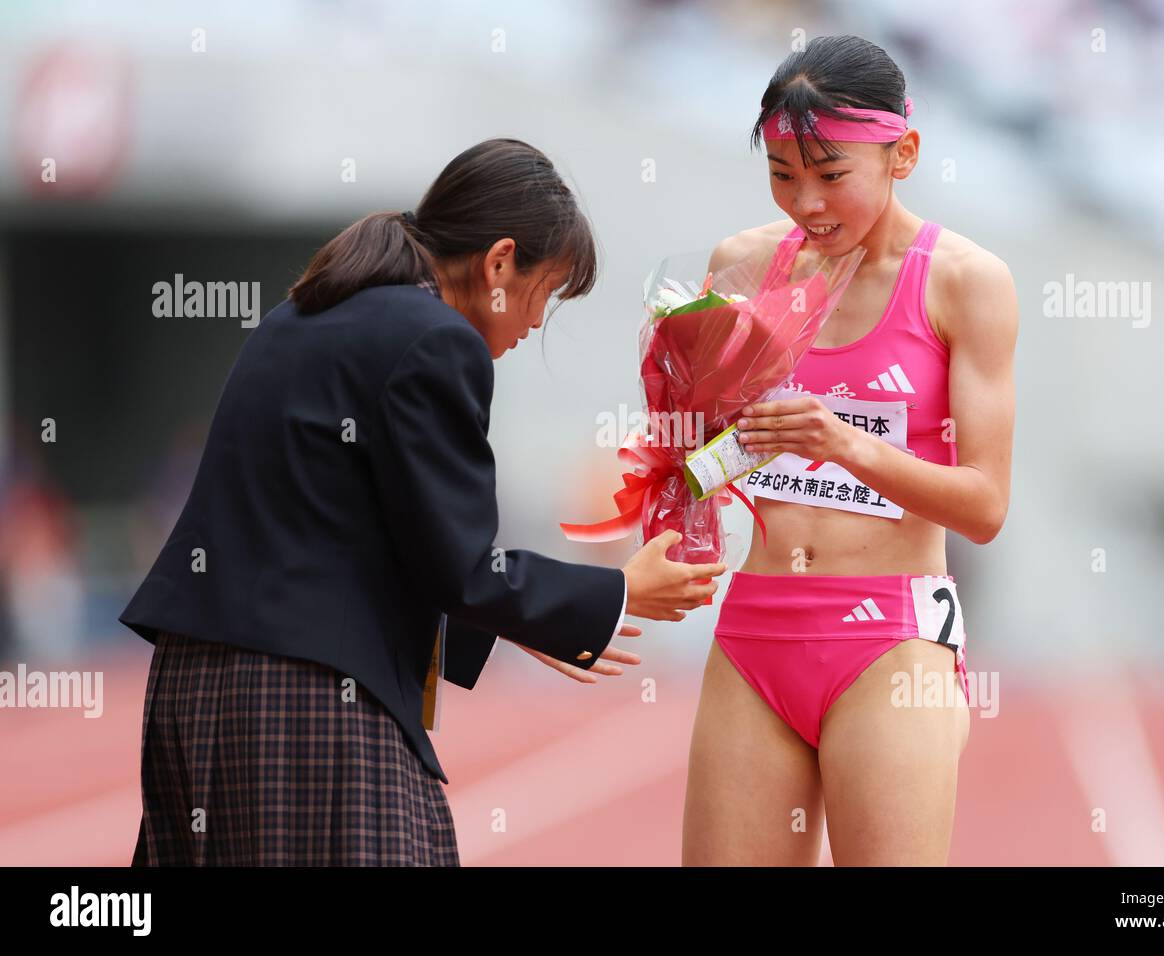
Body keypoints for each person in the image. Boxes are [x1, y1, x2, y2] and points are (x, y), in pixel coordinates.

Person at [123, 137, 725, 866]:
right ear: (499, 263)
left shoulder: (307, 312)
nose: (537, 321)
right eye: (547, 291)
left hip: (195, 685)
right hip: (303, 695)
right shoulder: (435, 340)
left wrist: (527, 619)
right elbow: (459, 565)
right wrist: (619, 592)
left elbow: (375, 531)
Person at [682, 36, 1018, 866]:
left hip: (889, 639)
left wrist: (843, 445)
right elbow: (708, 446)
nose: (808, 203)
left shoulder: (964, 282)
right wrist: (685, 425)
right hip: (755, 631)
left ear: (903, 153)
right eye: (782, 174)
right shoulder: (743, 265)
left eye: (832, 175)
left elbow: (984, 507)